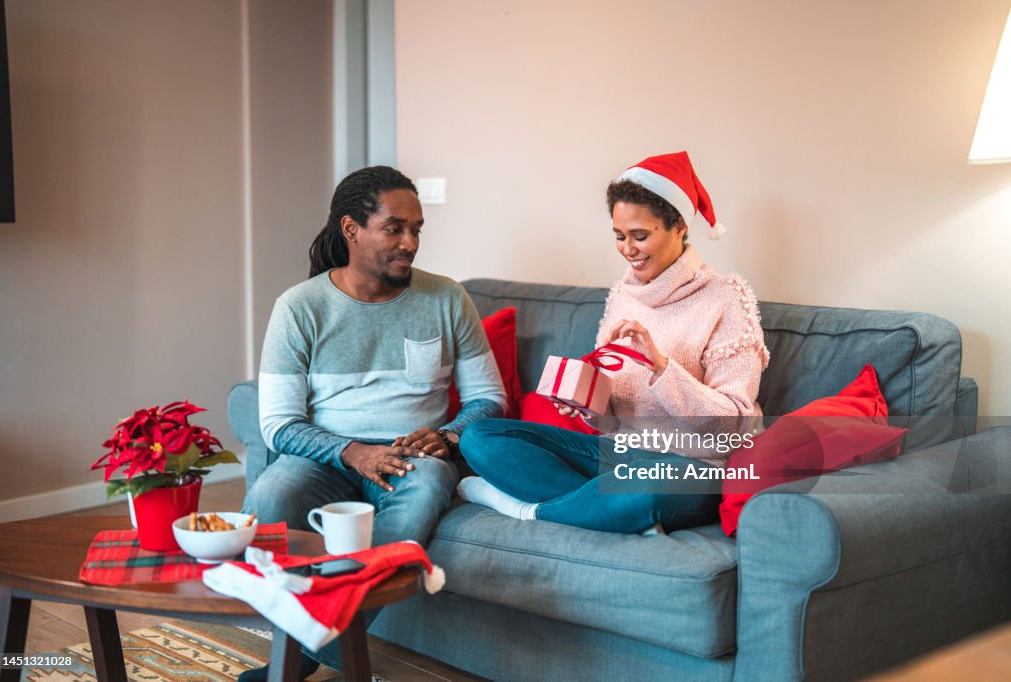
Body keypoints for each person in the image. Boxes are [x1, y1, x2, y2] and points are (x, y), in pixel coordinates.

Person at [240, 165, 507, 681]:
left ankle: (307, 655)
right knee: (273, 494)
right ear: (351, 230)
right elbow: (277, 423)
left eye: (417, 229)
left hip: (412, 459)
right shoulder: (300, 307)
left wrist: (449, 435)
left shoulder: (448, 298)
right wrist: (352, 451)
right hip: (327, 457)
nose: (410, 242)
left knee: (429, 483)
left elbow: (489, 399)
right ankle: (293, 636)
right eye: (394, 228)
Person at [457, 151, 769, 534]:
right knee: (480, 437)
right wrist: (588, 405)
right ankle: (605, 511)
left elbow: (732, 425)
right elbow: (615, 418)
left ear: (679, 228)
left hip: (694, 465)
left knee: (647, 493)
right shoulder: (622, 295)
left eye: (641, 235)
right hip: (621, 455)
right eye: (619, 236)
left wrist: (661, 367)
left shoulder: (725, 299)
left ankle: (525, 508)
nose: (628, 249)